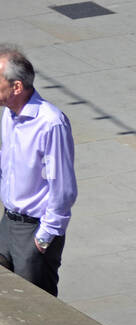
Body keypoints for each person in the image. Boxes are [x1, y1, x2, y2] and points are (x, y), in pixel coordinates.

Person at [0, 47, 76, 298]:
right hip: (9, 223)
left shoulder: (50, 123)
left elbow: (62, 188)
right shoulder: (9, 115)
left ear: (17, 87)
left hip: (35, 230)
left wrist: (43, 239)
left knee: (35, 304)